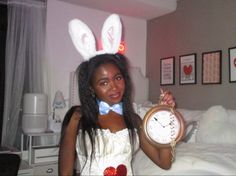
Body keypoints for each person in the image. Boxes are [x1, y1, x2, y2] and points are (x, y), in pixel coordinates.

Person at [58, 53, 176, 176]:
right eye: (104, 83)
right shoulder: (78, 117)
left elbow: (164, 163)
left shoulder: (133, 120)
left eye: (118, 78)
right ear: (91, 88)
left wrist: (165, 115)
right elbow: (65, 173)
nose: (114, 87)